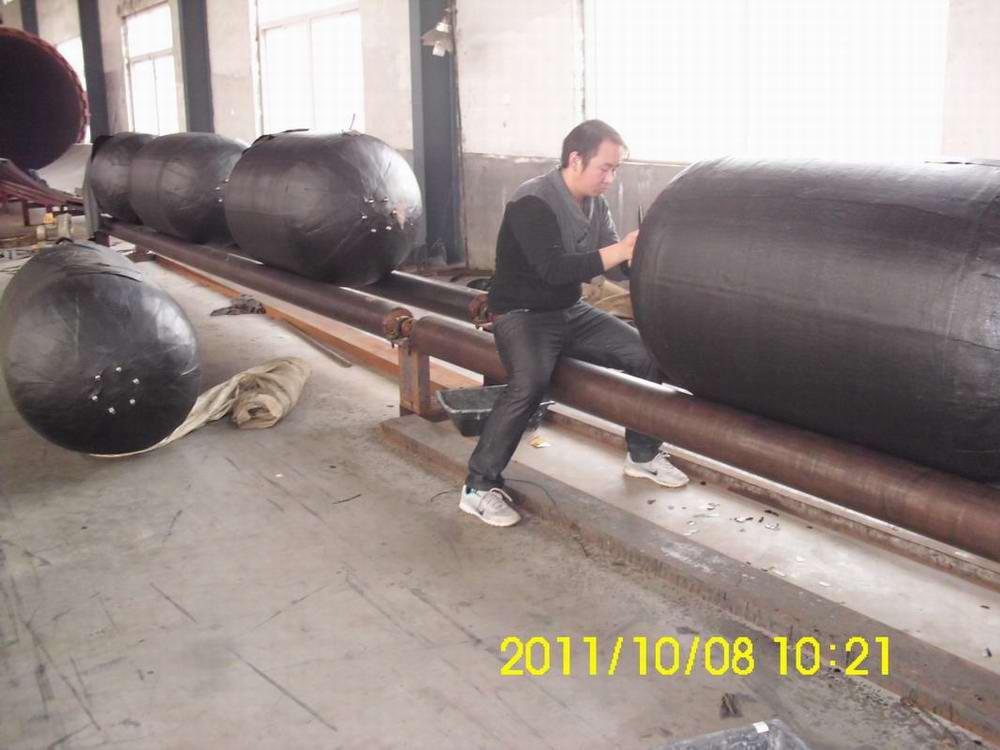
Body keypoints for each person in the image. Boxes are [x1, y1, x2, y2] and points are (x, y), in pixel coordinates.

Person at [460, 120, 689, 527]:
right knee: (530, 383)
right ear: (576, 159)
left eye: (616, 169)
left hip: (570, 311)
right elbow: (553, 269)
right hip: (522, 315)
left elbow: (612, 267)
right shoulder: (532, 201)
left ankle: (642, 454)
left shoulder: (595, 205)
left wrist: (643, 258)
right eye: (605, 168)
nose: (610, 178)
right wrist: (619, 250)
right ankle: (478, 486)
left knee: (645, 355)